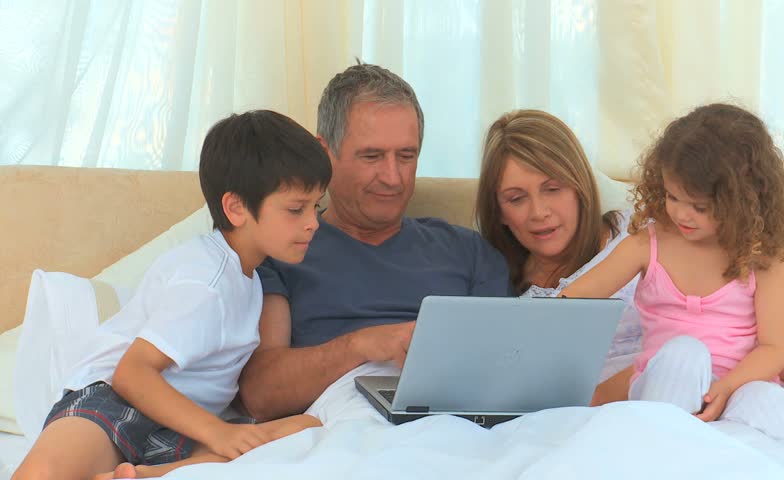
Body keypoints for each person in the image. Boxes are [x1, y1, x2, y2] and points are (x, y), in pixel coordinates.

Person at [13, 110, 328, 480]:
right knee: (44, 474)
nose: (313, 223)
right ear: (236, 207)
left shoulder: (251, 281)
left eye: (316, 206)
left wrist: (228, 433)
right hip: (115, 400)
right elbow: (132, 373)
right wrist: (220, 433)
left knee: (305, 428)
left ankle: (145, 473)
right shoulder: (205, 281)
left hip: (177, 427)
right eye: (296, 209)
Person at [475, 108, 784, 412]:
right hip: (626, 402)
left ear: (580, 185)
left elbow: (753, 331)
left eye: (553, 189)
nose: (539, 211)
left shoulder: (641, 232)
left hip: (699, 384)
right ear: (498, 209)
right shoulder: (491, 277)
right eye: (516, 198)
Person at [559, 103, 784, 462]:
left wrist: (728, 387)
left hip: (737, 384)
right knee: (685, 353)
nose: (681, 214)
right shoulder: (647, 244)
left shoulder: (761, 260)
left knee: (772, 403)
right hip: (665, 383)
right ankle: (672, 453)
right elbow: (573, 300)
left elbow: (774, 347)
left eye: (700, 207)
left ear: (743, 204)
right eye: (673, 197)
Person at [237, 63, 513, 423]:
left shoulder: (469, 252)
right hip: (342, 426)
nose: (393, 177)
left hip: (460, 429)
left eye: (406, 156)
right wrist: (360, 345)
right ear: (323, 153)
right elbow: (260, 394)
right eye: (372, 156)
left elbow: (511, 374)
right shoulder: (280, 252)